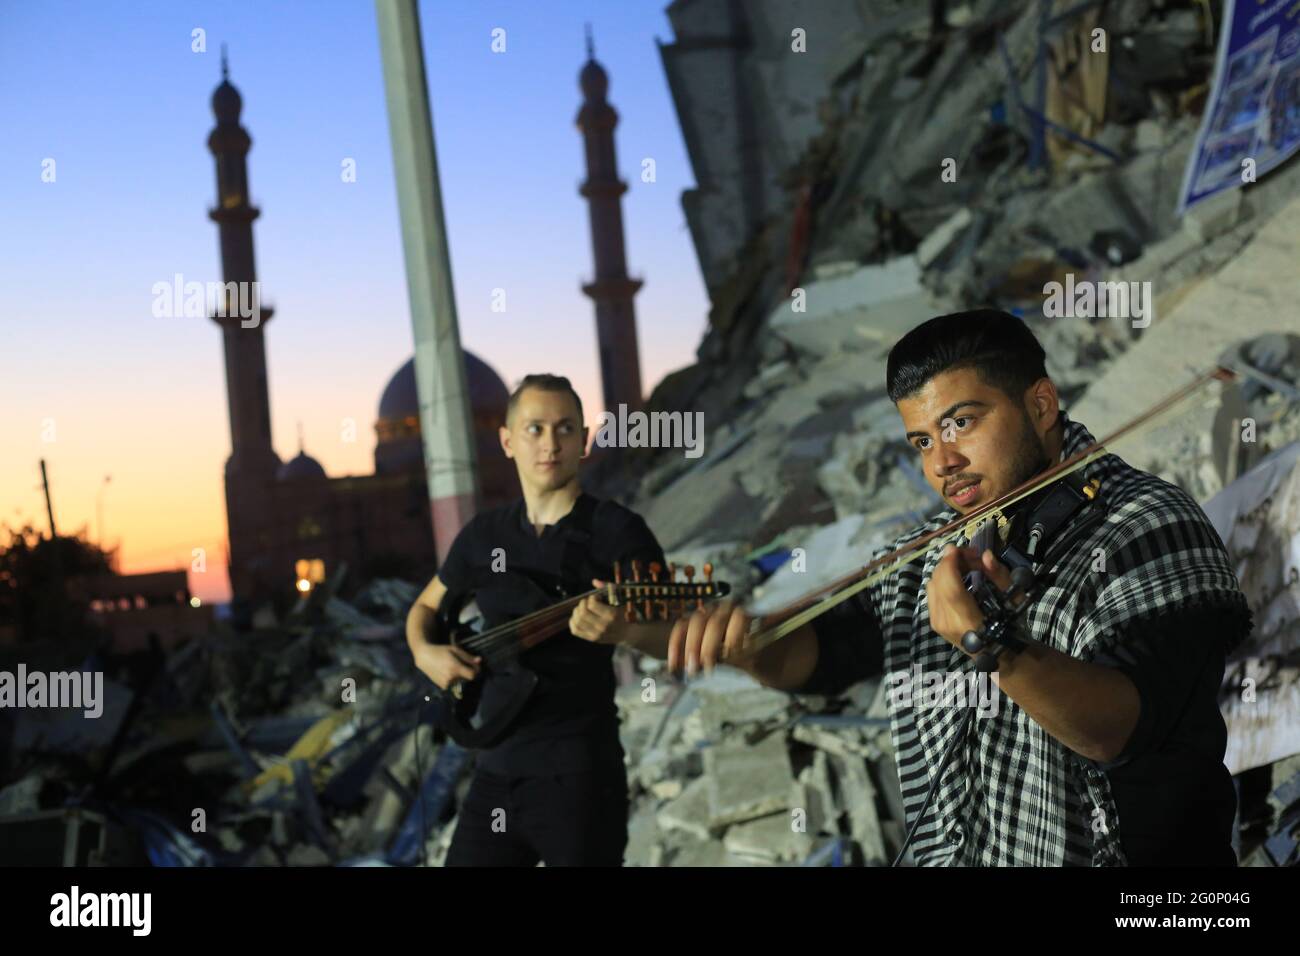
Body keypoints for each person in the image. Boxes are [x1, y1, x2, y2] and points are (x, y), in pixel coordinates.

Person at [669, 309, 1253, 866]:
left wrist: (991, 645)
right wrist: (753, 650)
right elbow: (827, 654)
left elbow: (1119, 728)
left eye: (961, 423)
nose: (942, 462)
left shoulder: (1147, 522)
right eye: (922, 441)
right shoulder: (938, 551)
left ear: (1041, 404)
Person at [406, 373, 674, 866]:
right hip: (496, 769)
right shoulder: (484, 535)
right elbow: (424, 608)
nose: (550, 444)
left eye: (565, 429)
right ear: (507, 441)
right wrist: (427, 653)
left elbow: (673, 635)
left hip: (580, 777)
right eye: (534, 429)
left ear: (584, 441)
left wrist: (627, 631)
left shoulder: (617, 532)